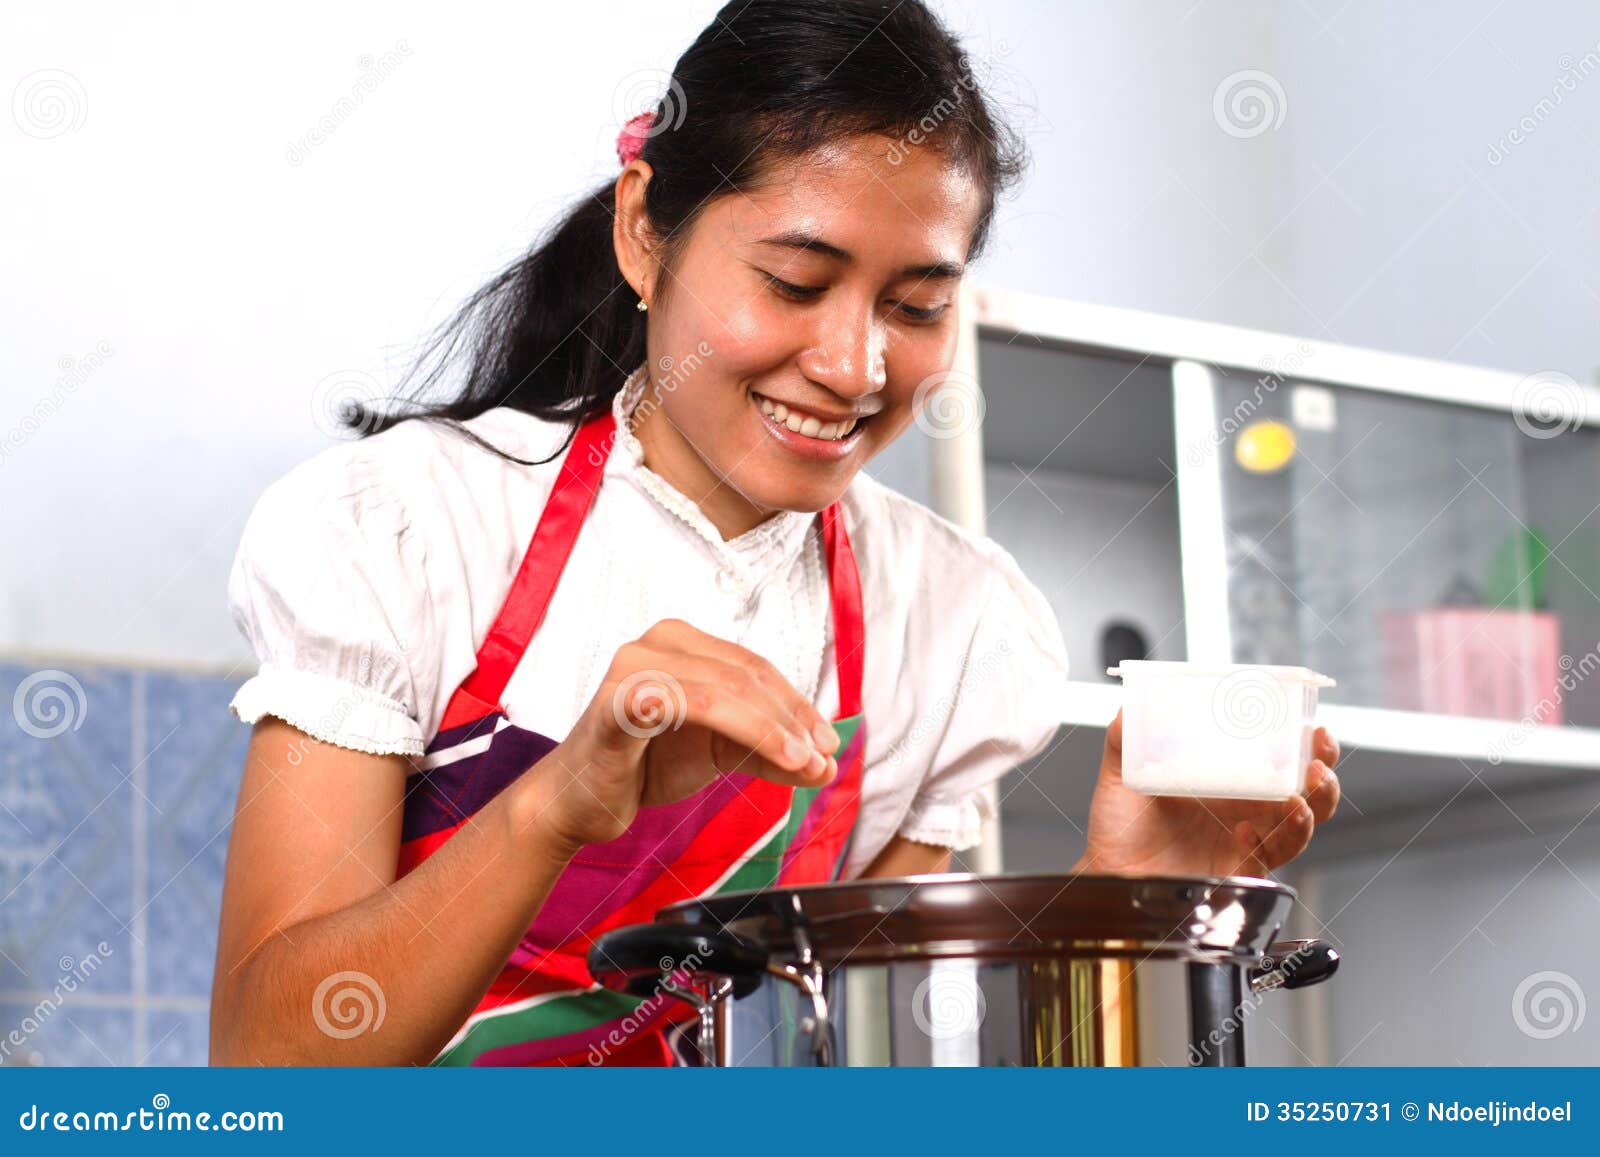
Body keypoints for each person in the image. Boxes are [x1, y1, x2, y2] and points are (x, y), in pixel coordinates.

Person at [210, 0, 1340, 1067]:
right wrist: (550, 808)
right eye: (796, 281)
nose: (855, 367)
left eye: (915, 307)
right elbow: (263, 1066)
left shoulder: (943, 623)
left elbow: (889, 1082)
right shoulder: (409, 527)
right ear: (643, 233)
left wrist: (1129, 914)